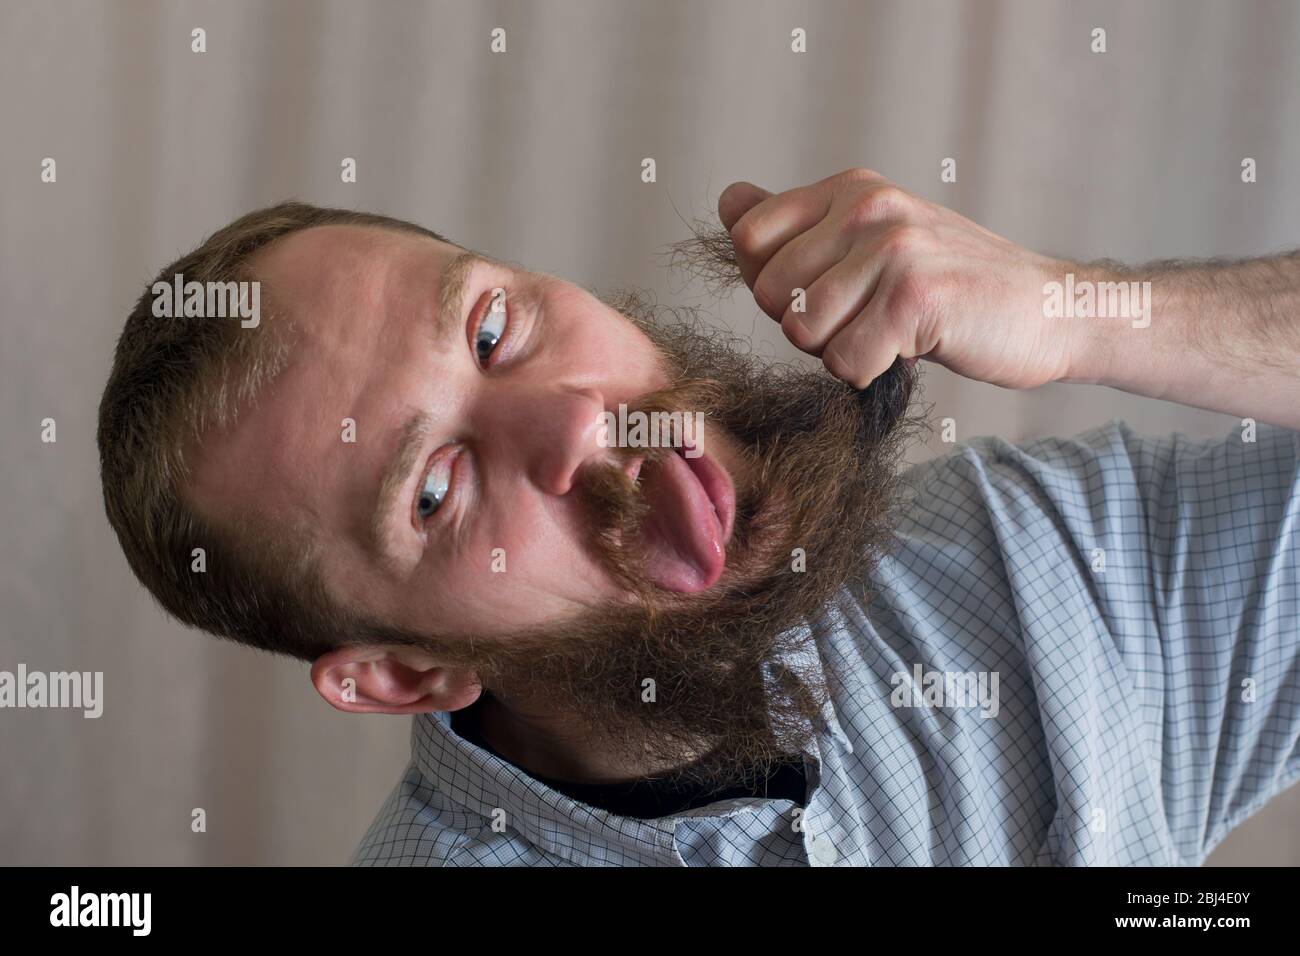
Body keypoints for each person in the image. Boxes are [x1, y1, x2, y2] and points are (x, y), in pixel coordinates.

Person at [97, 169, 1300, 865]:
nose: (574, 424)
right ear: (409, 670)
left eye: (493, 330)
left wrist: (1089, 314)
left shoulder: (1028, 566)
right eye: (432, 490)